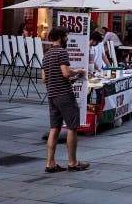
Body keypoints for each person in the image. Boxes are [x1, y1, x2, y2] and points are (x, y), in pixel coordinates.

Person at [41, 27, 89, 173]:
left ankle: (50, 163)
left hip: (52, 95)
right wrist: (78, 71)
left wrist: (69, 79)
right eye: (66, 36)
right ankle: (72, 162)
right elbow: (65, 72)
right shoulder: (62, 52)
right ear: (61, 37)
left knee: (54, 128)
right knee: (72, 127)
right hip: (64, 95)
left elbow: (44, 78)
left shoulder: (47, 54)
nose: (68, 39)